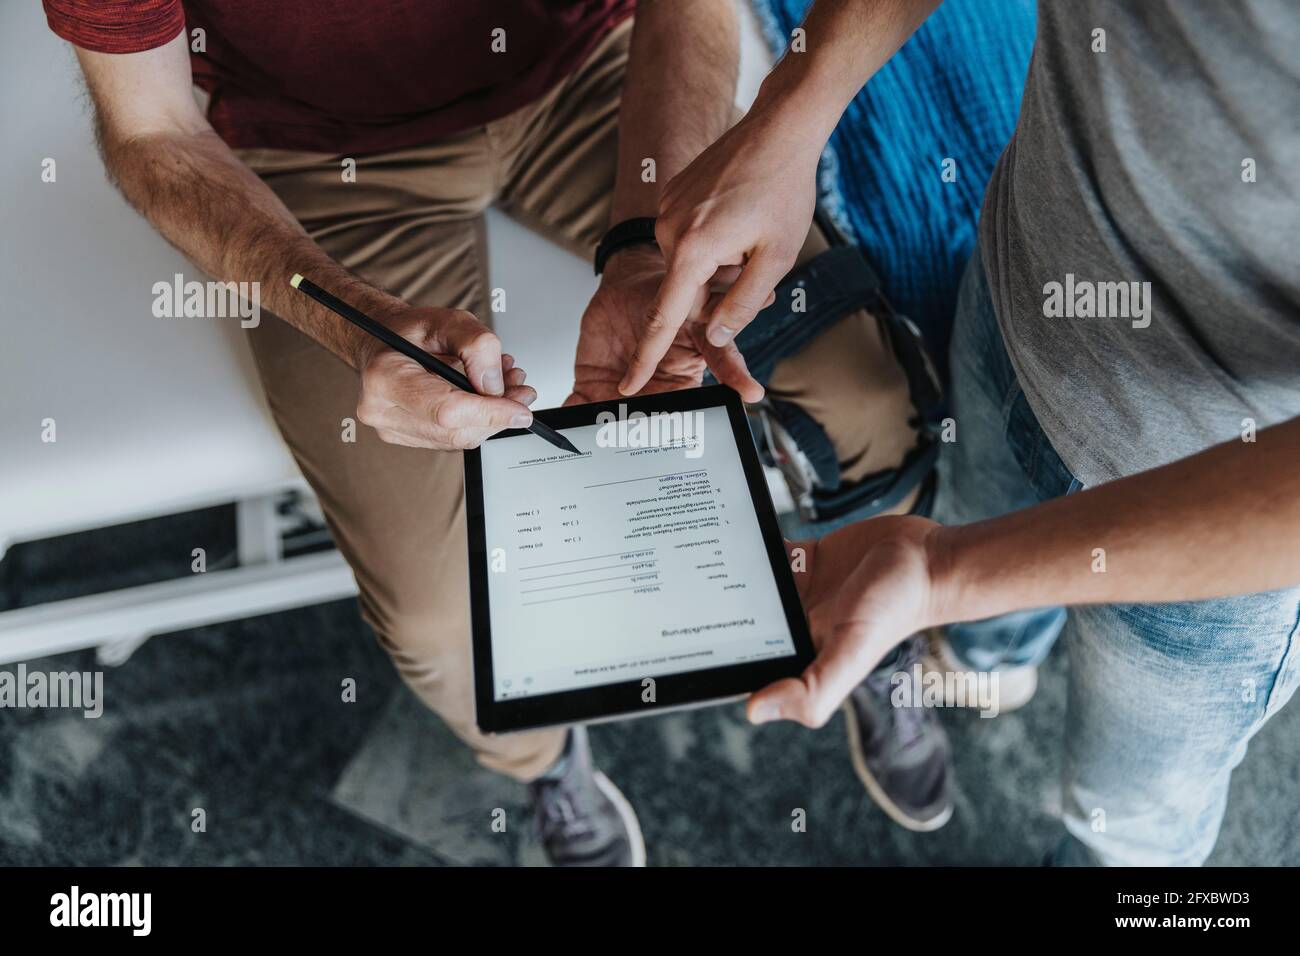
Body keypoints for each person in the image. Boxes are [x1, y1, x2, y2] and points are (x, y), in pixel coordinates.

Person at [45, 0, 951, 863]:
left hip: (601, 74)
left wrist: (646, 241)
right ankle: (542, 761)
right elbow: (152, 130)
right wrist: (351, 321)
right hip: (322, 150)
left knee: (872, 398)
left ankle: (874, 629)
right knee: (444, 621)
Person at [630, 0, 1300, 865]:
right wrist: (801, 107)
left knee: (1125, 815)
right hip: (1015, 279)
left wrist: (944, 572)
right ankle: (993, 653)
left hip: (1218, 526)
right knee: (981, 519)